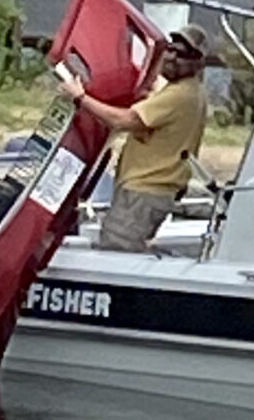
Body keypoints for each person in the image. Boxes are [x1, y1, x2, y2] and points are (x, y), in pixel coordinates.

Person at [58, 23, 209, 251]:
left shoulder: (181, 94)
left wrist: (81, 97)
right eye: (171, 49)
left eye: (183, 54)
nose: (172, 57)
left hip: (145, 191)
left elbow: (125, 121)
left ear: (197, 62)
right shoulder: (188, 92)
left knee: (116, 250)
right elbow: (152, 123)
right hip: (152, 191)